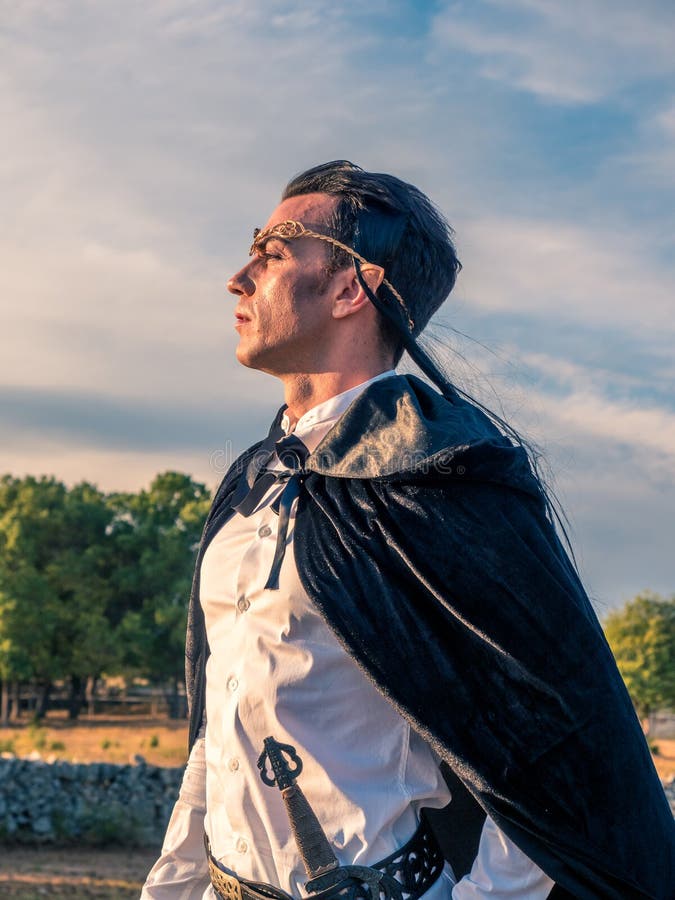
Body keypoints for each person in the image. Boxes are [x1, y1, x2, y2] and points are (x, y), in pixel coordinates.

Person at [142, 161, 675, 900]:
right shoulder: (252, 483)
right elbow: (224, 711)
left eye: (271, 251)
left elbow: (564, 747)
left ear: (349, 287)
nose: (238, 276)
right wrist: (171, 883)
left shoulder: (443, 481)